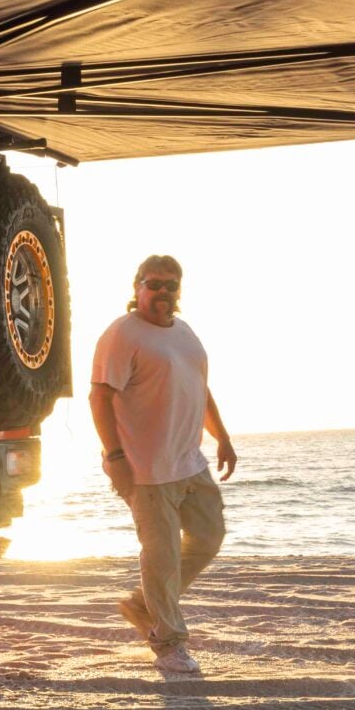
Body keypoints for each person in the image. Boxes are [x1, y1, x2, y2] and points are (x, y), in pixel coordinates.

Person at [89, 255, 236, 675]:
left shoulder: (185, 333)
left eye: (171, 285)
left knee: (209, 537)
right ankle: (168, 642)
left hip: (189, 461)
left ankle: (143, 604)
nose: (163, 292)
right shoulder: (122, 334)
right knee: (162, 556)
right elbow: (99, 397)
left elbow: (199, 389)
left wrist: (221, 436)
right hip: (146, 469)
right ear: (138, 287)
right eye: (154, 284)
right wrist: (115, 457)